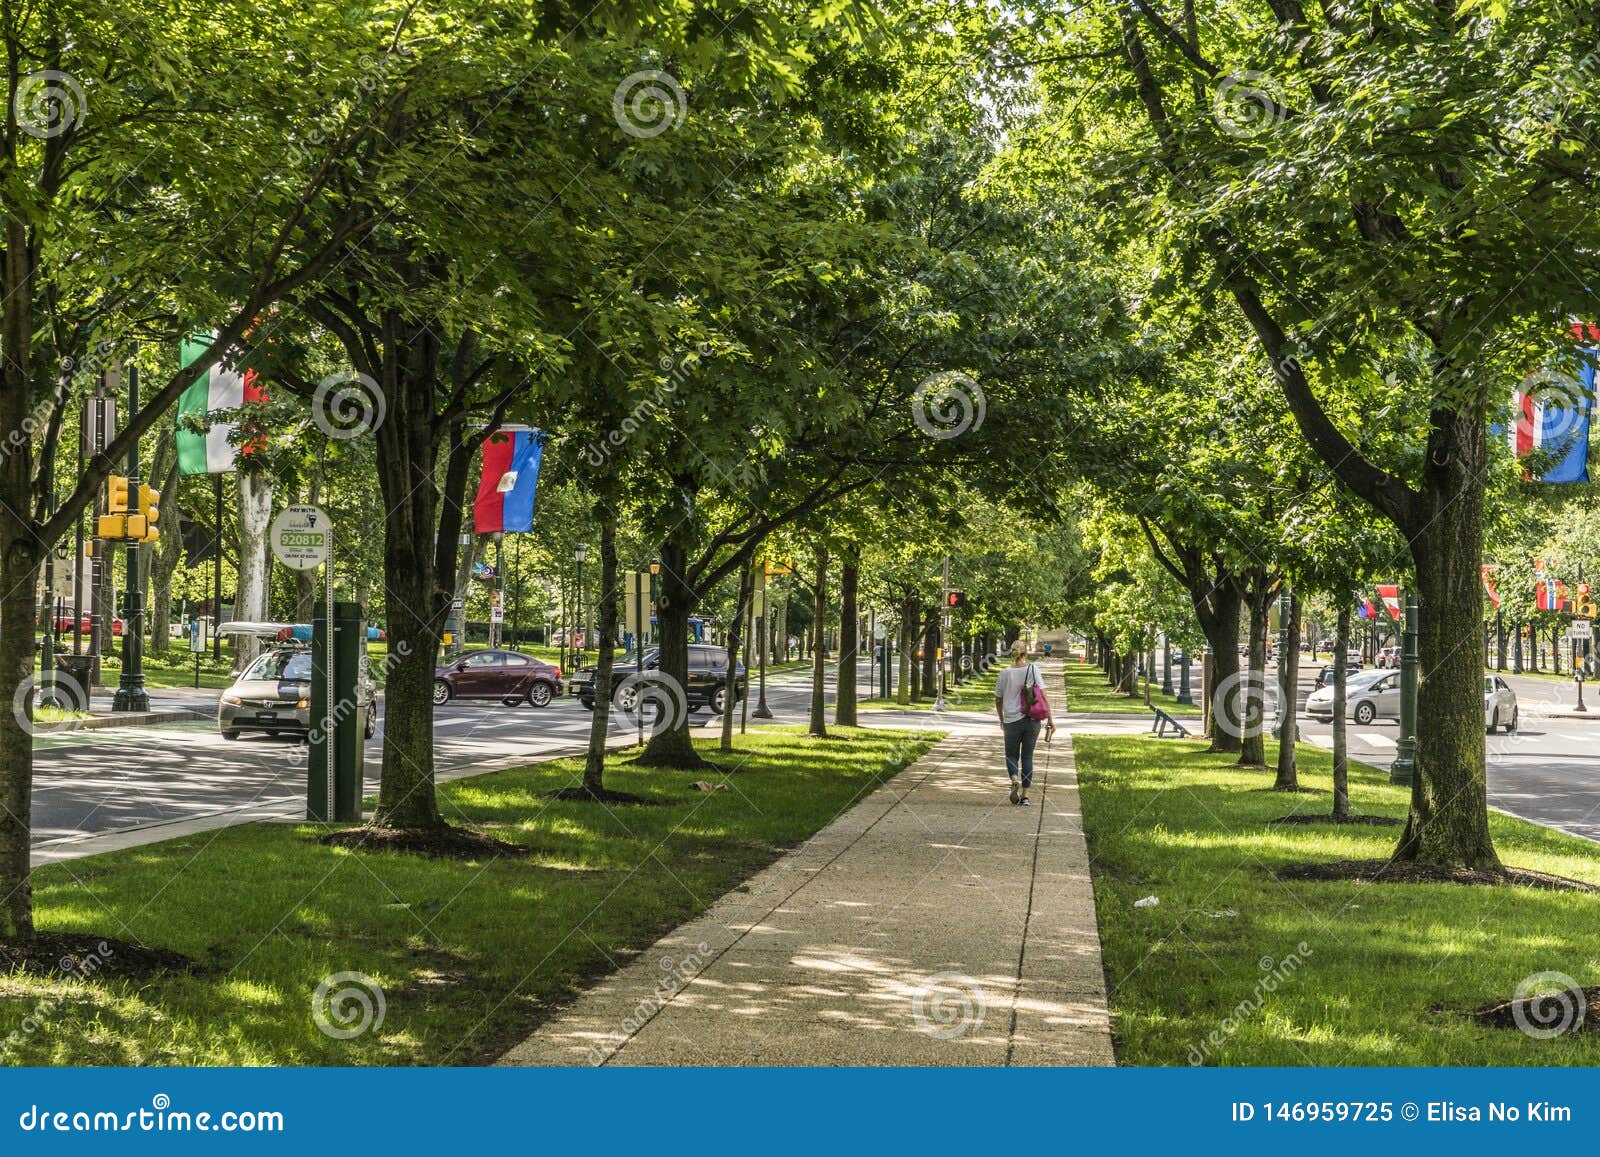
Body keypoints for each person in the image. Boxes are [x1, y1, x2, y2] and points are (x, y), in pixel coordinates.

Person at [993, 639, 1055, 805]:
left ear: (1012, 652)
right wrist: (1050, 719)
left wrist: (1001, 719)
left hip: (1011, 720)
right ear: (1025, 652)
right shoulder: (1033, 669)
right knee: (1027, 756)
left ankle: (1014, 779)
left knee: (1011, 755)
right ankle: (1025, 796)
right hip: (1032, 719)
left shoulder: (1004, 673)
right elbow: (1043, 696)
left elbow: (998, 699)